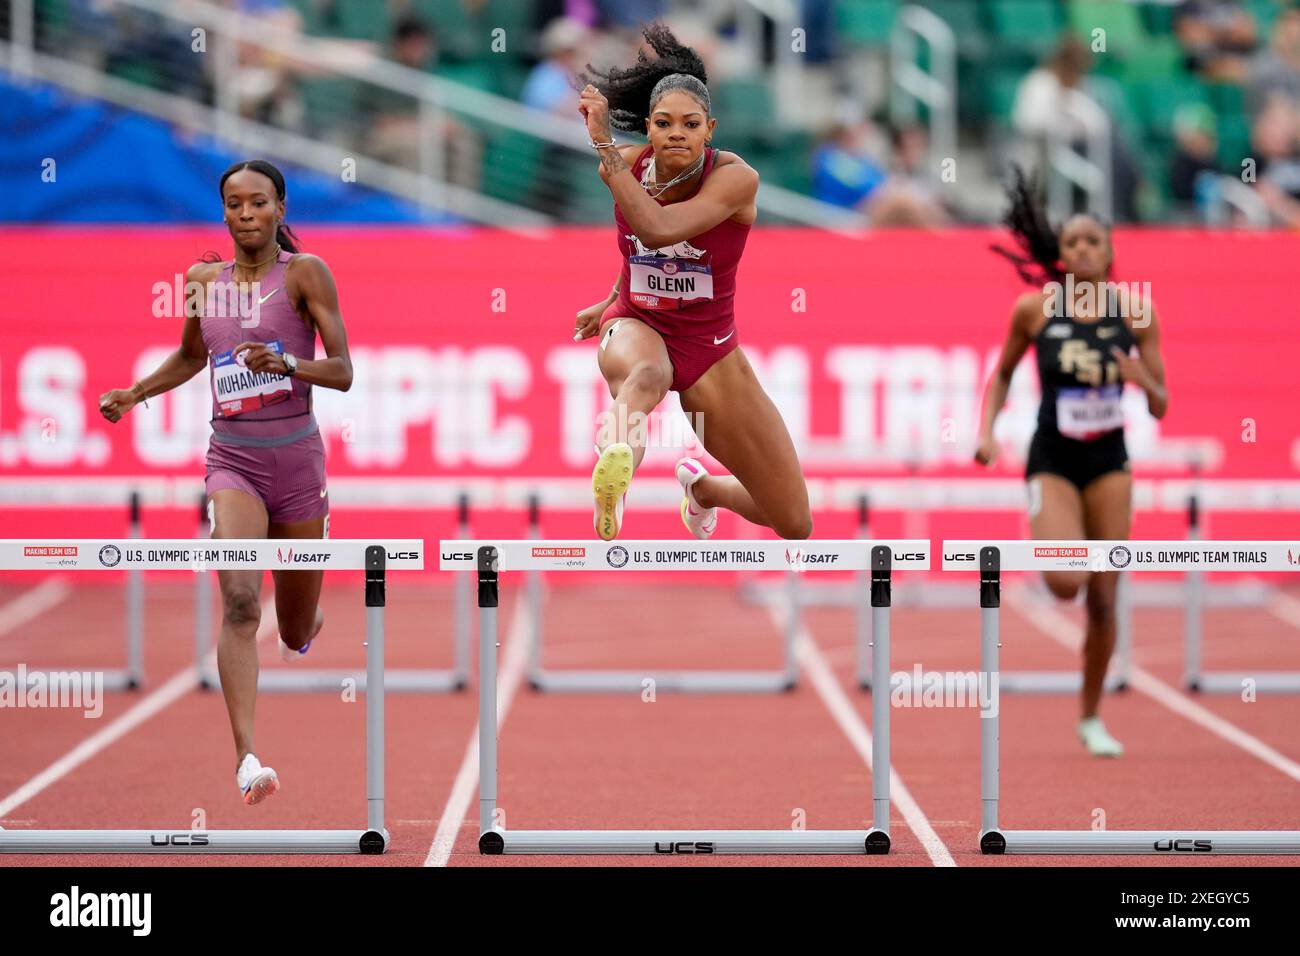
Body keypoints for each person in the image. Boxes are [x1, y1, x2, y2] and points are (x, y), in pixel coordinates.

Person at [98, 160, 354, 803]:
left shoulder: (306, 274)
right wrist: (135, 393)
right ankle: (247, 759)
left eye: (258, 203)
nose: (246, 214)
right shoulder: (200, 282)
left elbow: (343, 371)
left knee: (293, 629)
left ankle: (307, 617)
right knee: (240, 601)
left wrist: (287, 363)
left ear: (280, 208)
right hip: (233, 461)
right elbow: (192, 355)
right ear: (223, 212)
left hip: (298, 465)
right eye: (234, 204)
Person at [571, 22, 811, 542]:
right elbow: (638, 248)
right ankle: (614, 470)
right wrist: (610, 298)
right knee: (646, 375)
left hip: (712, 349)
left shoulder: (735, 179)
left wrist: (604, 146)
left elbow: (659, 232)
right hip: (636, 323)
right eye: (663, 123)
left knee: (793, 521)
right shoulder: (626, 165)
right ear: (649, 129)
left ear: (710, 129)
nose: (676, 133)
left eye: (690, 123)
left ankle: (704, 491)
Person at [974, 169, 1168, 757]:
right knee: (1065, 582)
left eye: (1092, 241)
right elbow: (1002, 374)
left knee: (1104, 599)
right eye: (1072, 241)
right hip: (1053, 458)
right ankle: (1054, 535)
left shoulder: (1137, 314)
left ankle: (1090, 716)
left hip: (1109, 460)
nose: (1082, 249)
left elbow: (1161, 404)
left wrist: (1142, 381)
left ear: (1109, 254)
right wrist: (987, 431)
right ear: (1061, 253)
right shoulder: (1033, 310)